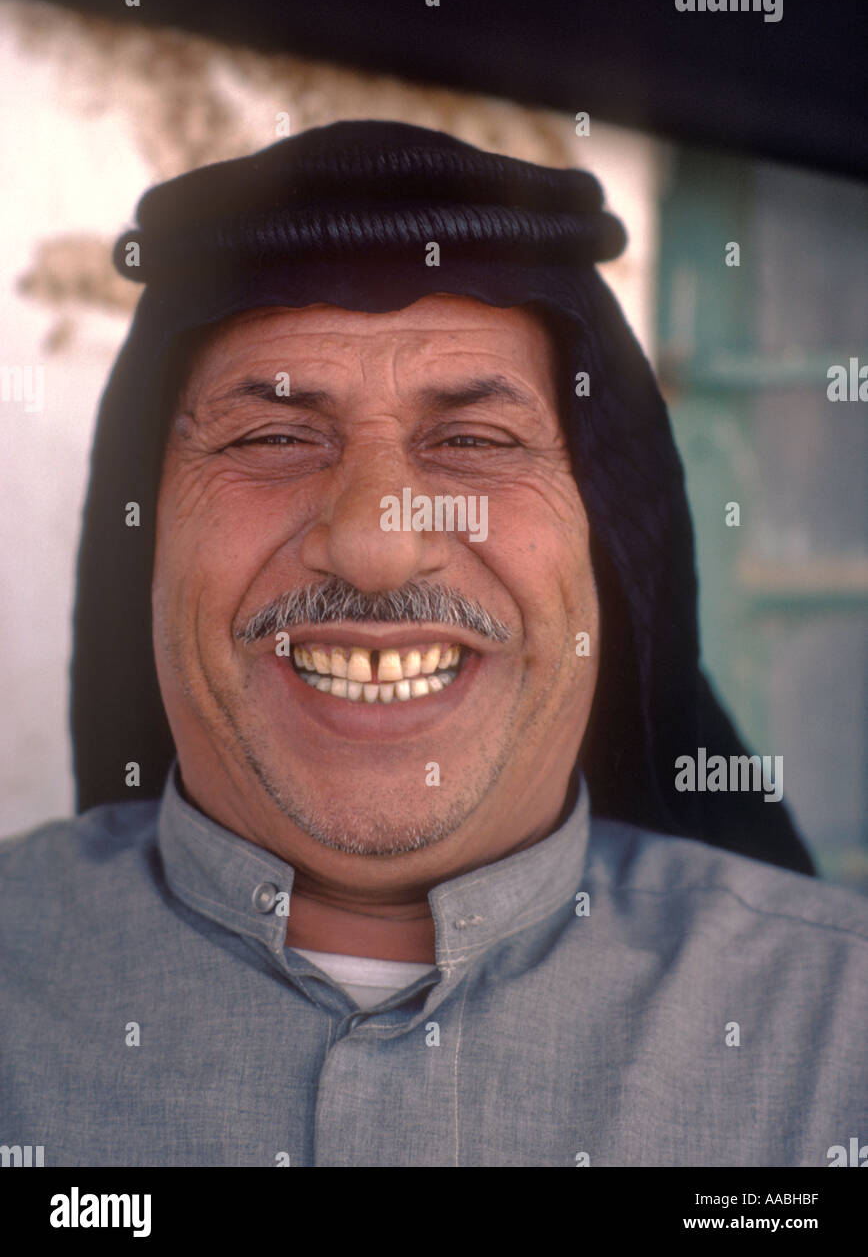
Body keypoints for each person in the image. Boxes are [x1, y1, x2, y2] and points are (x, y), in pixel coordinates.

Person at [1, 121, 865, 1167]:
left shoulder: (835, 1044)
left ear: (609, 540)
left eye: (471, 442)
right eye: (273, 437)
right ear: (147, 533)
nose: (373, 543)